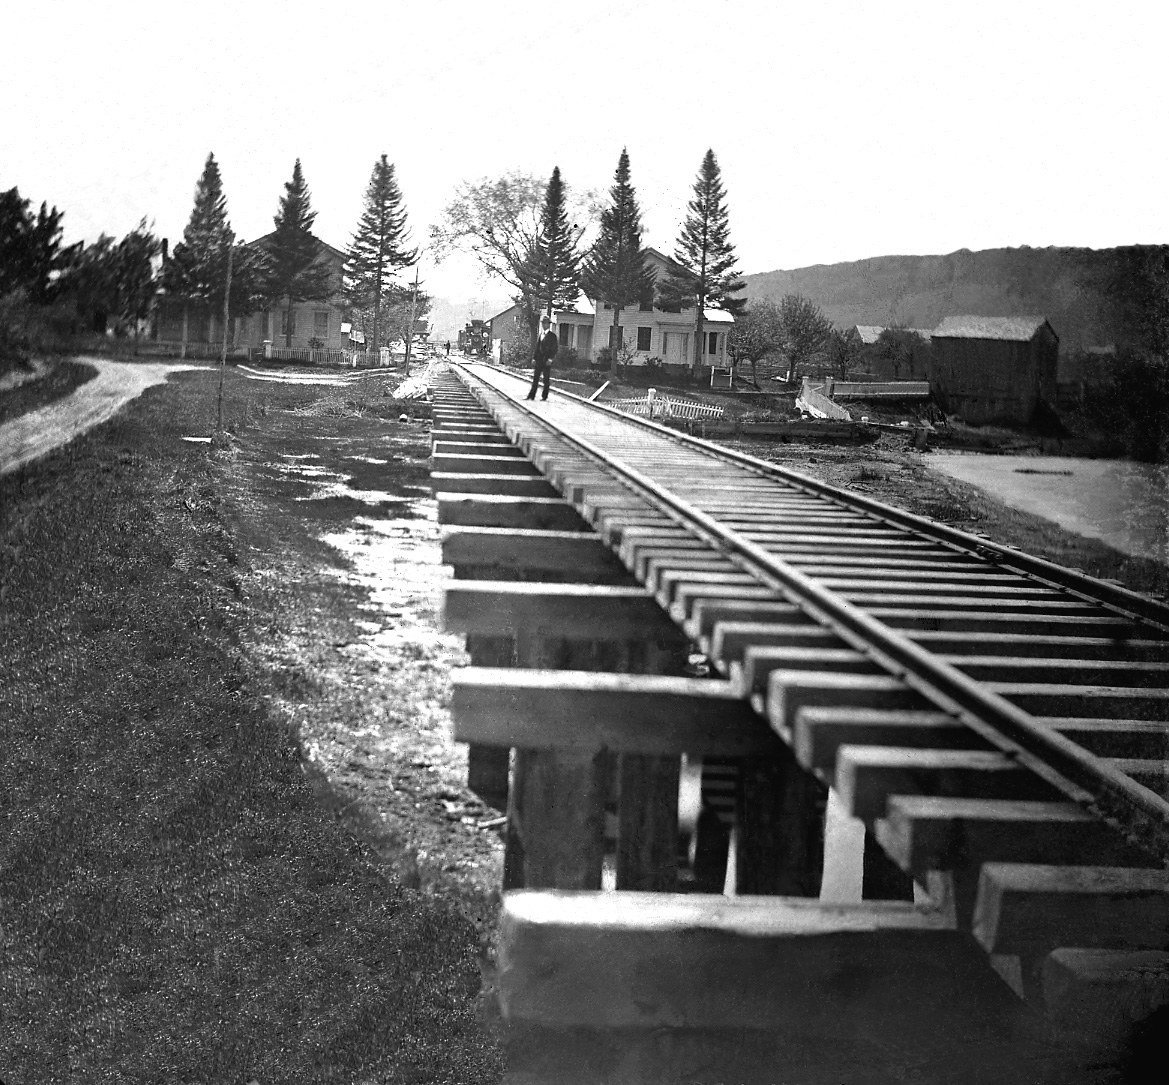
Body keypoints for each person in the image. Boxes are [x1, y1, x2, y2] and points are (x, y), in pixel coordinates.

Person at [526, 314, 557, 400]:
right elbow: (537, 348)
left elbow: (554, 349)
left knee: (546, 379)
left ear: (549, 324)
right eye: (543, 323)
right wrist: (534, 358)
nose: (544, 325)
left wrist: (550, 359)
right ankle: (531, 395)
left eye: (546, 323)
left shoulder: (552, 336)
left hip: (547, 360)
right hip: (539, 360)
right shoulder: (541, 335)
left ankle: (544, 396)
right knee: (535, 378)